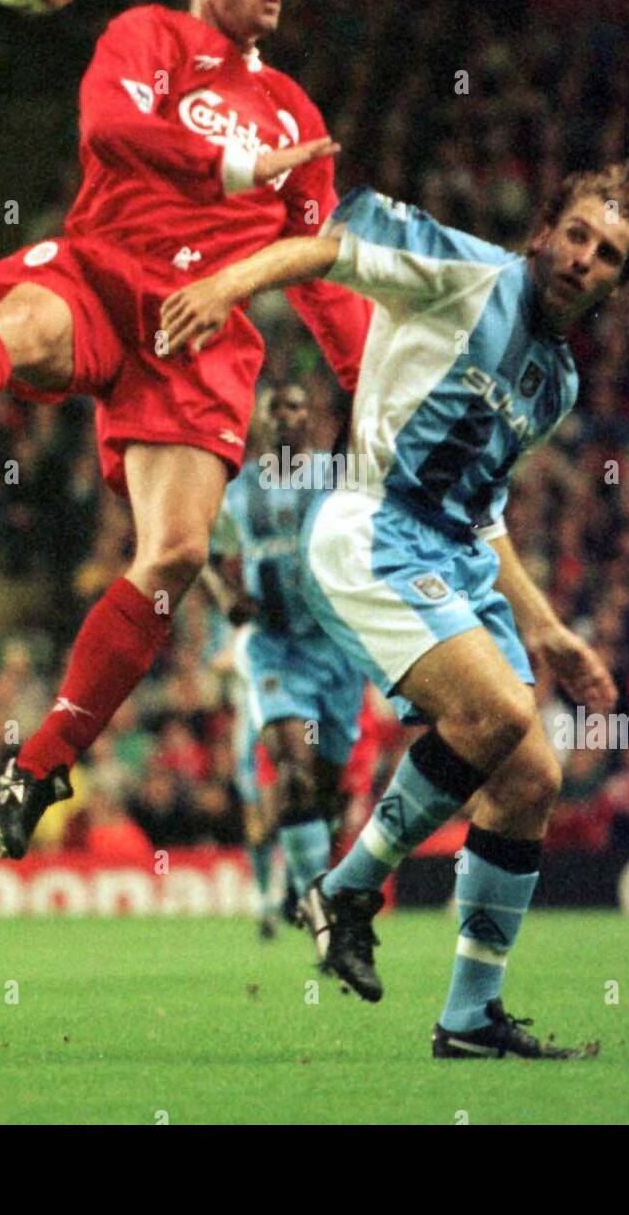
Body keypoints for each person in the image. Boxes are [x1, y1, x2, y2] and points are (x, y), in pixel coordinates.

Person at [0, 0, 370, 859]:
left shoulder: (299, 114)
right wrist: (229, 167)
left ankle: (41, 761)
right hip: (108, 270)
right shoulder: (148, 37)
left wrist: (371, 387)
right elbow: (107, 126)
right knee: (26, 324)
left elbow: (318, 265)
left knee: (175, 555)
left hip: (201, 335)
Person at [161, 162, 629, 1060]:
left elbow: (486, 513)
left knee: (531, 780)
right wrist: (223, 284)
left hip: (456, 557)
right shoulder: (466, 271)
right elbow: (330, 252)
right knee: (499, 714)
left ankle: (470, 1015)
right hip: (372, 530)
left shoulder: (556, 386)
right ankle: (347, 889)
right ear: (545, 230)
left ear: (620, 285)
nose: (585, 258)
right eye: (579, 234)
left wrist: (547, 628)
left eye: (609, 254)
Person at [205, 382, 366, 937]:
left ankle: (306, 884)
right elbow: (198, 552)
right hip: (276, 650)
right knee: (293, 776)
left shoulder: (339, 477)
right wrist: (226, 597)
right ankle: (314, 909)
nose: (285, 418)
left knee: (325, 794)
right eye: (274, 409)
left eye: (296, 406)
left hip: (339, 652)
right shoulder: (237, 493)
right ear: (259, 421)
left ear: (311, 417)